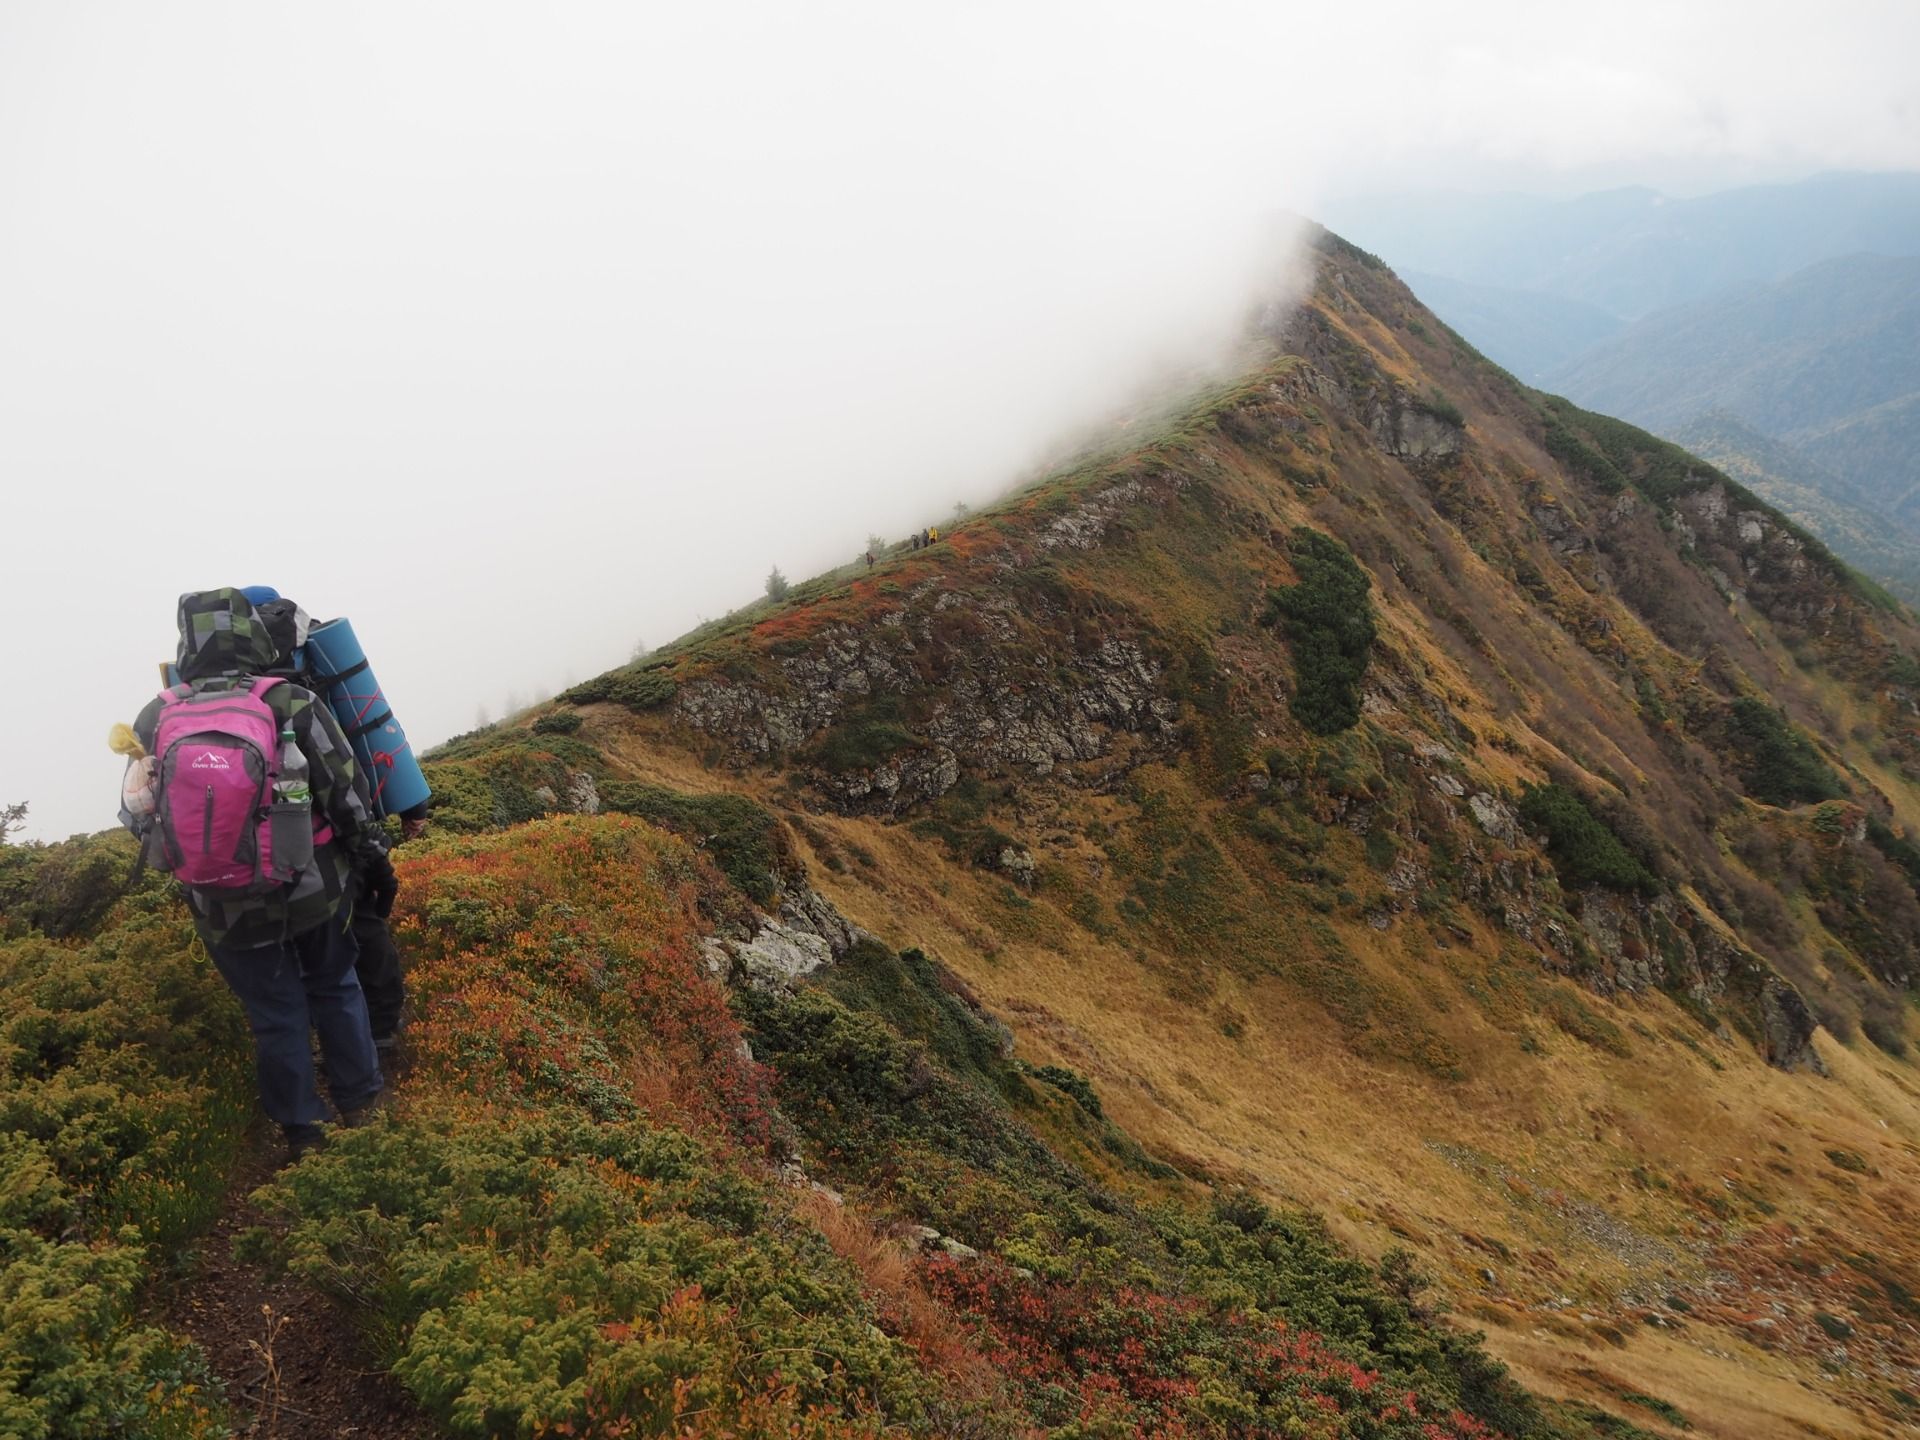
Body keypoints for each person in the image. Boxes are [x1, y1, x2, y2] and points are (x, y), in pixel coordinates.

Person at [120, 588, 394, 1160]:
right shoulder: (288, 700)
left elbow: (135, 812)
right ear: (254, 637)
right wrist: (367, 854)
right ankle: (362, 1107)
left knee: (275, 1013)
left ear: (187, 642)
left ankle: (303, 1132)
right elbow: (345, 793)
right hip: (312, 886)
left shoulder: (157, 715)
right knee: (335, 987)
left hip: (221, 902)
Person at [247, 589, 423, 1054]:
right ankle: (381, 1030)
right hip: (339, 825)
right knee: (363, 922)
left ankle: (314, 1040)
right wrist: (408, 809)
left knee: (292, 944)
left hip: (258, 849)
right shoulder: (312, 664)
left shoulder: (221, 689)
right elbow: (370, 730)